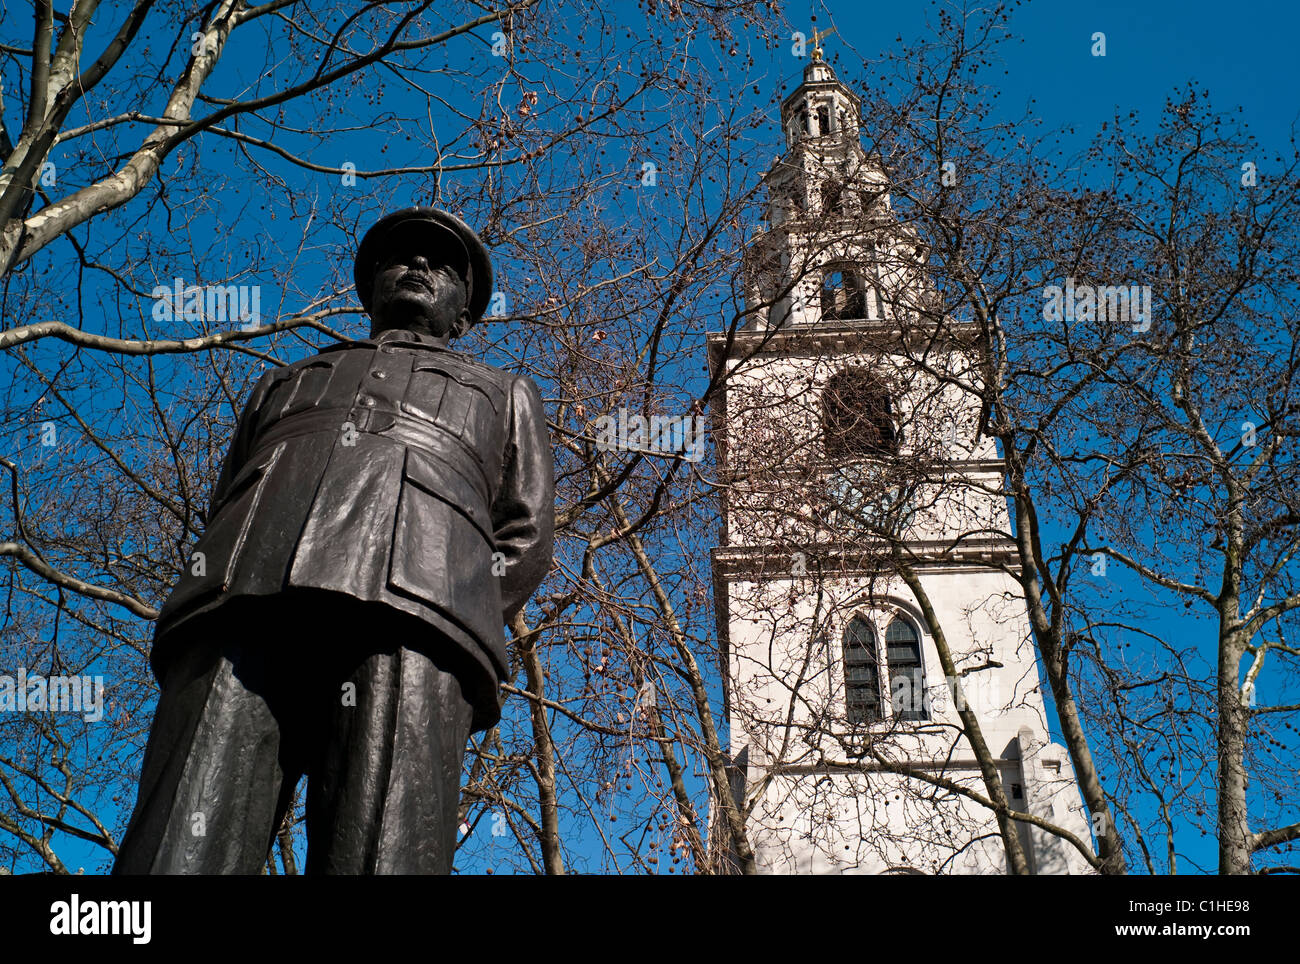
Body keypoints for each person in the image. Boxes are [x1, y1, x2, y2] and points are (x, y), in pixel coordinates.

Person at [113, 208, 554, 874]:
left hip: (416, 615)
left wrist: (453, 596)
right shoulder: (285, 380)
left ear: (464, 314)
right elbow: (230, 493)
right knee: (183, 831)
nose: (418, 265)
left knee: (382, 841)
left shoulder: (502, 393)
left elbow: (525, 527)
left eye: (439, 262)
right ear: (370, 286)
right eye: (400, 256)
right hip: (247, 595)